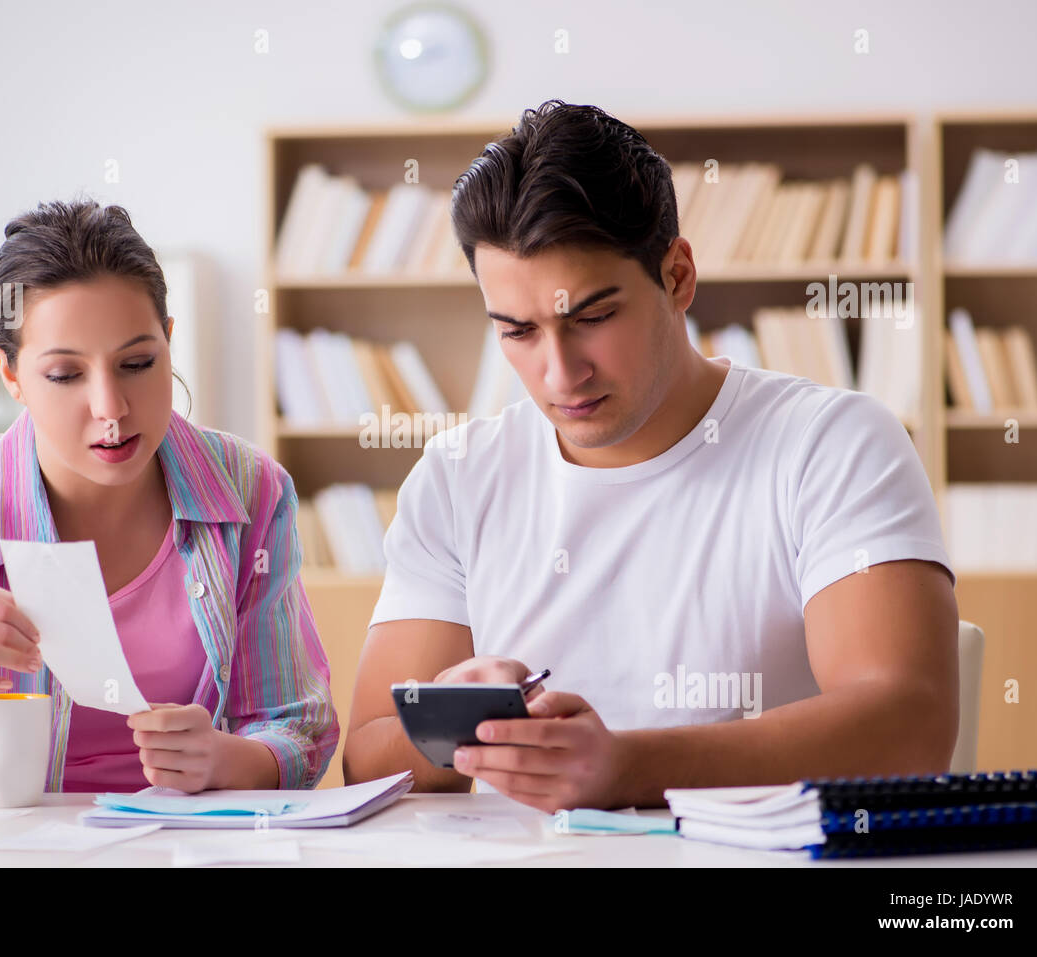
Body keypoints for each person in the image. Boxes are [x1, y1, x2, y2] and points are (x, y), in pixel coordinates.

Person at [342, 100, 959, 813]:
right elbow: (368, 758)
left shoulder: (833, 443)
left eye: (594, 318)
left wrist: (627, 767)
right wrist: (454, 721)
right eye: (517, 331)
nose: (560, 373)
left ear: (677, 276)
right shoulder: (458, 476)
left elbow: (910, 725)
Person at [0, 198, 338, 798]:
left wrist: (226, 760)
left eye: (137, 362)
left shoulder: (251, 491)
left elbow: (300, 729)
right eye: (64, 375)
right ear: (9, 373)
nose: (111, 408)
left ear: (169, 342)